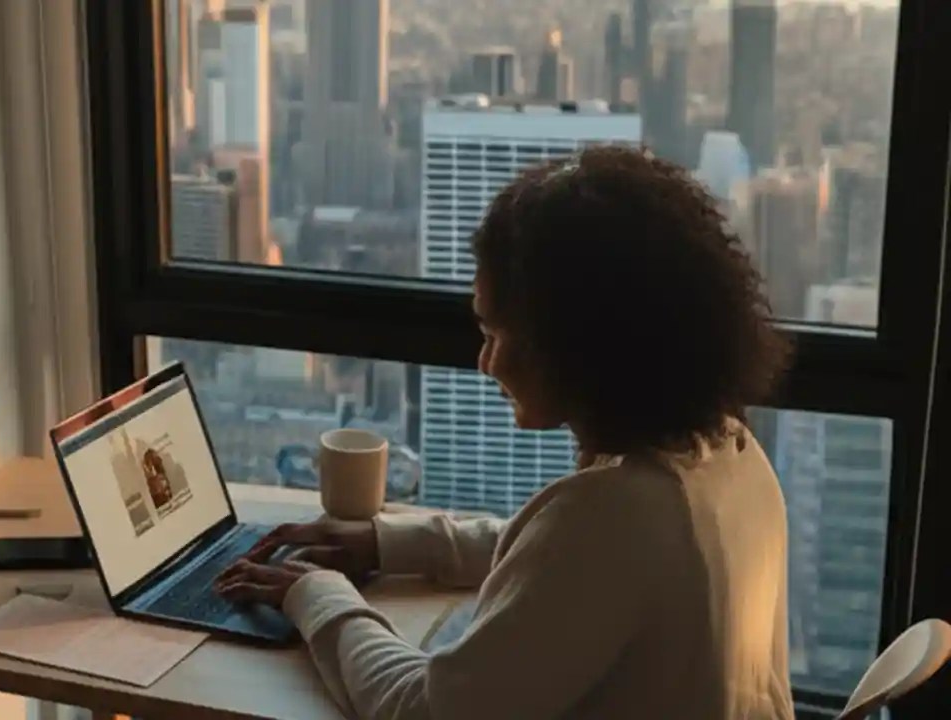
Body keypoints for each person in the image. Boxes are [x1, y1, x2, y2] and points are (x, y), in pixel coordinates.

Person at [215, 147, 796, 719]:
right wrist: (390, 543)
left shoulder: (619, 518)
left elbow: (419, 711)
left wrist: (314, 595)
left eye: (497, 333)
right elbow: (557, 566)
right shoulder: (730, 455)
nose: (485, 363)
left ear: (573, 342)